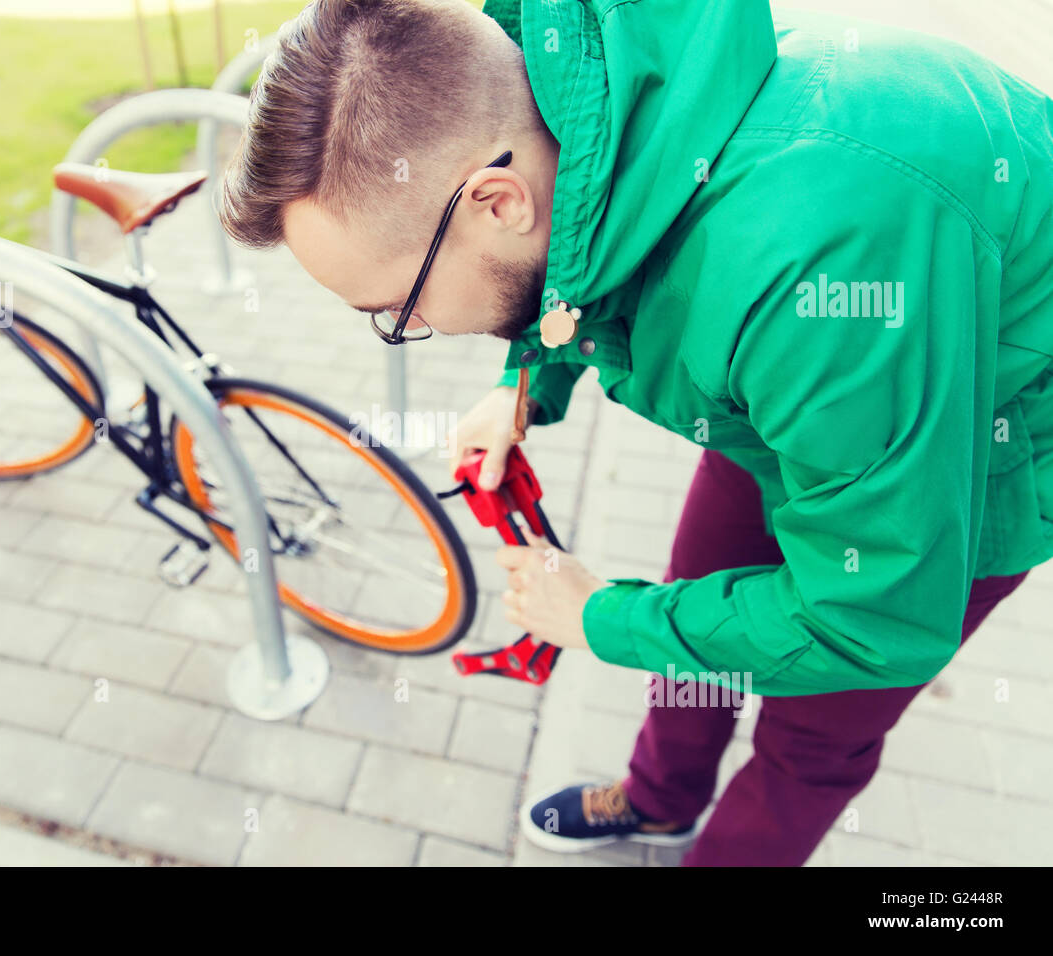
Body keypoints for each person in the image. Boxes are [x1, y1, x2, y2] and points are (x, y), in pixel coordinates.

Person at [216, 0, 1053, 865]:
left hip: (986, 454)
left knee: (816, 732)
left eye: (396, 310)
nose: (406, 326)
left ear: (495, 203)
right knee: (699, 612)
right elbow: (593, 246)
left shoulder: (809, 261)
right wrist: (524, 387)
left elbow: (869, 618)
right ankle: (659, 802)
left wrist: (596, 617)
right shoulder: (583, 108)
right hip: (804, 403)